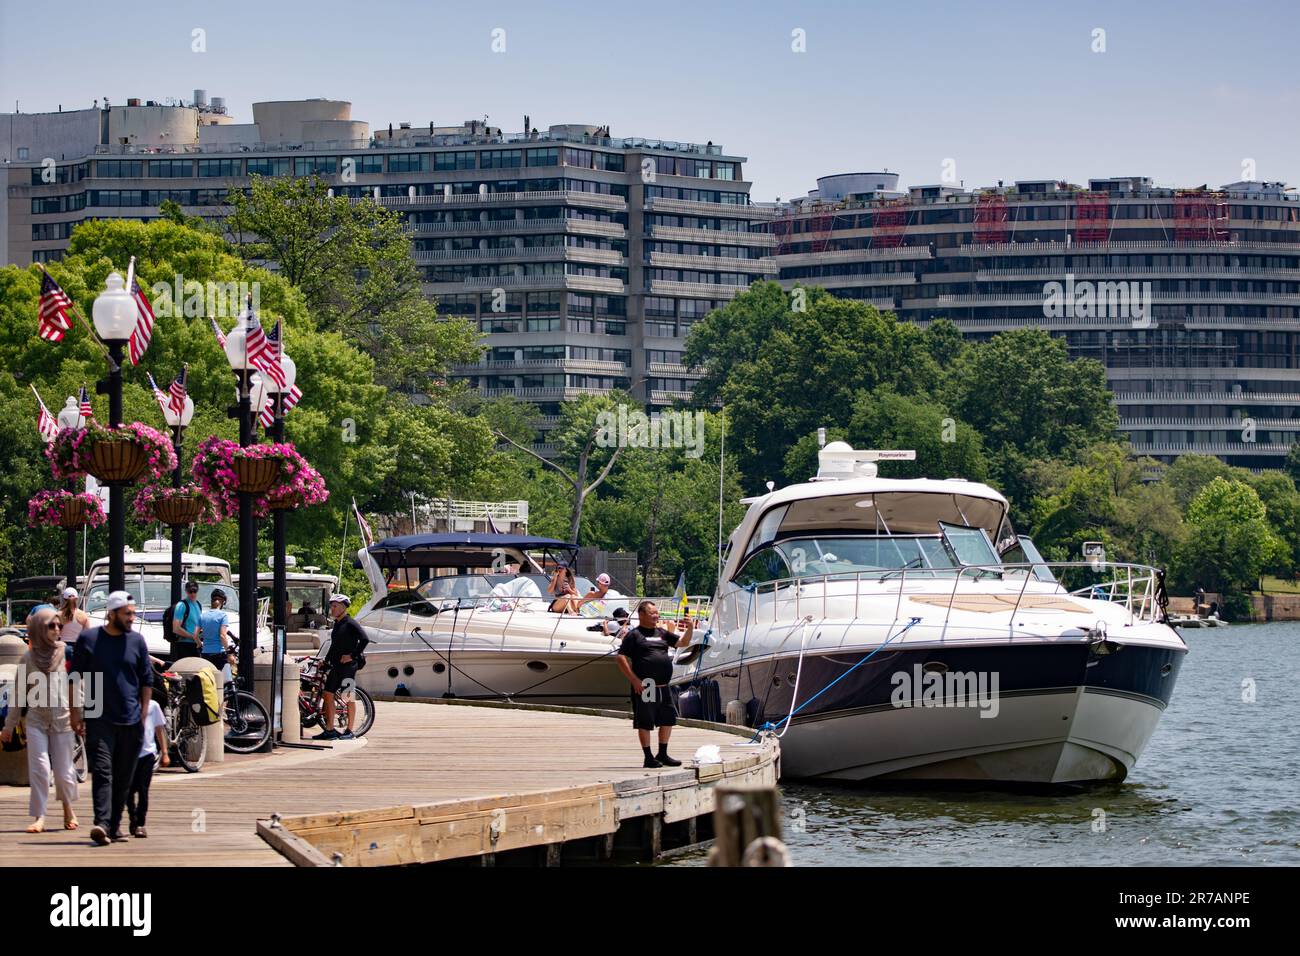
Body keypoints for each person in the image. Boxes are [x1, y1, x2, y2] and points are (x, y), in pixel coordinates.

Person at [70, 591, 152, 846]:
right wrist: (76, 712)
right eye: (127, 613)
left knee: (124, 777)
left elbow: (146, 680)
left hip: (130, 719)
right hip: (98, 717)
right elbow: (74, 677)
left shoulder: (137, 641)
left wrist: (144, 711)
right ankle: (102, 823)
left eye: (132, 613)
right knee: (103, 772)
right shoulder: (89, 639)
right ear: (112, 613)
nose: (131, 617)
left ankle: (115, 826)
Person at [1, 608, 79, 833]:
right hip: (36, 721)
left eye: (59, 626)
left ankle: (68, 808)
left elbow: (77, 686)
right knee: (40, 769)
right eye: (51, 626)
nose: (56, 630)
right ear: (38, 629)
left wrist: (80, 715)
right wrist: (9, 726)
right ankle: (40, 816)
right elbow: (18, 695)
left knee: (64, 773)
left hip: (63, 720)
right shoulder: (27, 658)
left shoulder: (68, 653)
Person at [615, 600, 693, 768]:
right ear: (641, 615)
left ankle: (662, 754)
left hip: (663, 685)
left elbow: (683, 643)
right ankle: (648, 757)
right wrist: (634, 680)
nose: (656, 616)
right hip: (647, 685)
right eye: (652, 613)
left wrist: (690, 628)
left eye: (657, 613)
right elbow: (621, 658)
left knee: (668, 719)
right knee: (645, 721)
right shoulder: (634, 635)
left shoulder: (662, 633)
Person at [314, 595, 367, 741]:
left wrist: (352, 656)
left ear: (343, 607)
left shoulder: (350, 623)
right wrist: (325, 661)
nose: (332, 608)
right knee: (328, 694)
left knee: (348, 697)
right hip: (336, 665)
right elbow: (334, 646)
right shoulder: (337, 624)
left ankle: (349, 731)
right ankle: (330, 730)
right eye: (331, 606)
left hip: (349, 666)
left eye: (335, 606)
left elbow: (365, 639)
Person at [126, 692, 167, 838]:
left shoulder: (153, 706)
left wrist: (165, 752)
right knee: (129, 790)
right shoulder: (126, 704)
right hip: (129, 754)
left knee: (143, 789)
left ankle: (141, 823)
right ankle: (133, 818)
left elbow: (159, 729)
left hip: (148, 753)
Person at [198, 588, 233, 673]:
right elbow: (222, 635)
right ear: (223, 602)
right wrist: (229, 653)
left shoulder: (202, 616)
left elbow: (195, 635)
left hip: (205, 653)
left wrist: (200, 645)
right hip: (219, 654)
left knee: (209, 680)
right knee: (223, 680)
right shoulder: (223, 615)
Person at [170, 581, 203, 659]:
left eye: (194, 591)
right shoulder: (181, 605)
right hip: (184, 645)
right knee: (185, 670)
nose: (192, 594)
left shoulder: (198, 604)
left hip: (196, 645)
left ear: (197, 591)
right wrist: (194, 637)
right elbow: (176, 629)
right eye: (190, 591)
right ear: (186, 591)